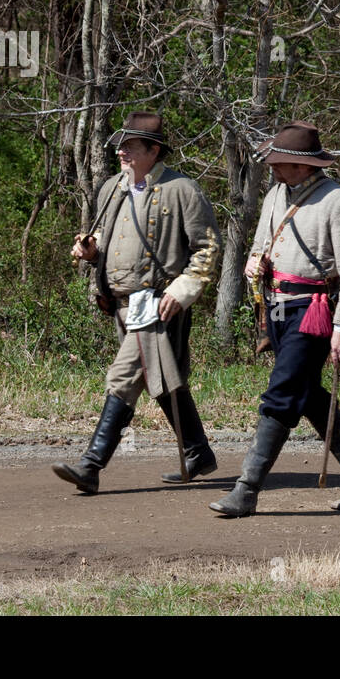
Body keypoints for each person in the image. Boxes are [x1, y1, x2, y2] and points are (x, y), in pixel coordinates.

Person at [210, 122, 340, 517]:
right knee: (306, 393)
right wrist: (255, 261)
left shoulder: (337, 202)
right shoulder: (275, 194)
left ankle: (247, 488)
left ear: (304, 166)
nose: (273, 168)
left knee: (282, 394)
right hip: (275, 307)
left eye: (281, 162)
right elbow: (259, 243)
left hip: (314, 311)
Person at [54, 112, 222, 495]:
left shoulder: (183, 190)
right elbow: (107, 241)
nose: (121, 150)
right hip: (121, 305)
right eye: (121, 144)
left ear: (154, 150)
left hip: (157, 303)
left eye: (130, 145)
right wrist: (92, 251)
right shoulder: (112, 187)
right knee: (160, 382)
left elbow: (207, 247)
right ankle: (198, 452)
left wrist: (182, 293)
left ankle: (91, 467)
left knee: (123, 378)